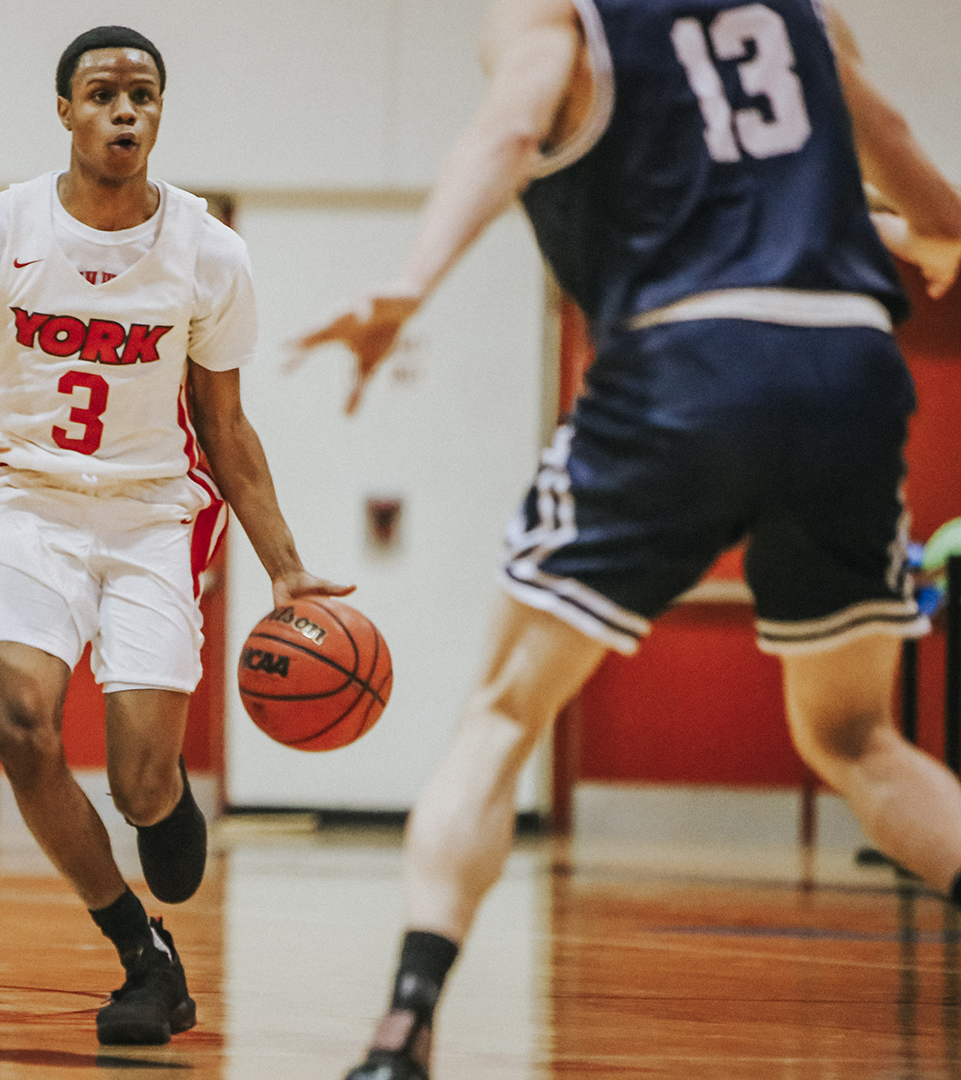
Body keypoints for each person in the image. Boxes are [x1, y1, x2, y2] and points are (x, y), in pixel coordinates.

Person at [288, 0, 961, 1076]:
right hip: (849, 367)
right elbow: (900, 157)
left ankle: (404, 1028)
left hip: (684, 361)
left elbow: (509, 132)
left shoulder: (555, 12)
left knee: (505, 711)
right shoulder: (802, 13)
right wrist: (936, 228)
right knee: (856, 741)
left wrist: (409, 283)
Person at [0, 25, 348, 1046]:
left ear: (160, 112)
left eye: (142, 95)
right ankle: (144, 953)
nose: (124, 111)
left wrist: (286, 568)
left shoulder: (210, 250)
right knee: (23, 726)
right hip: (30, 506)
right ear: (66, 112)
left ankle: (164, 801)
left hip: (150, 516)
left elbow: (226, 429)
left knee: (141, 787)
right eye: (102, 94)